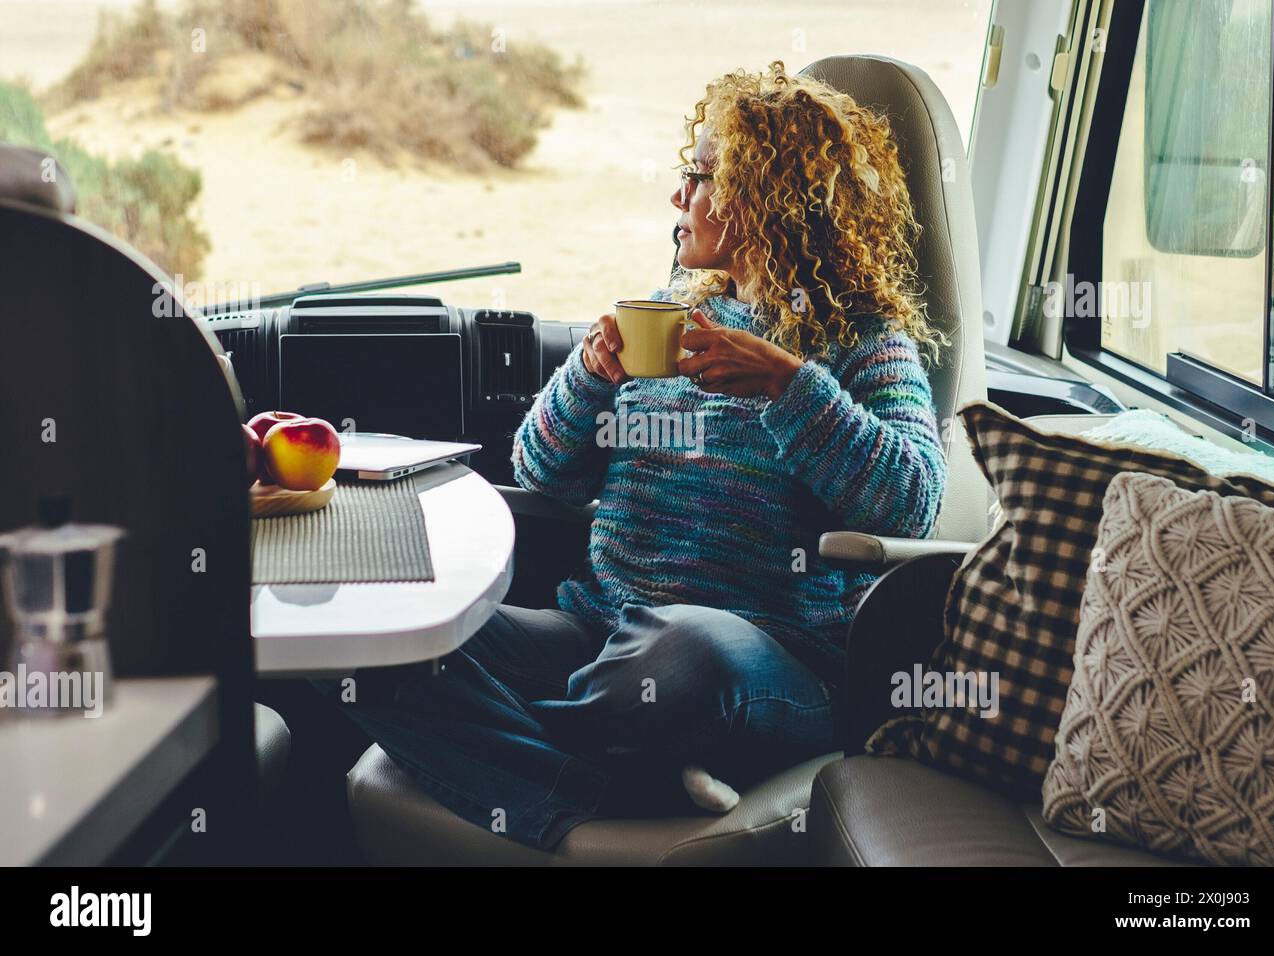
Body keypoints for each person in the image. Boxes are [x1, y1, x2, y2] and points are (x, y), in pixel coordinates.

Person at [331, 60, 947, 851]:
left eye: (699, 177)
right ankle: (609, 778)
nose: (678, 198)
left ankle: (526, 749)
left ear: (771, 196)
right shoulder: (668, 317)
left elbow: (912, 502)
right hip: (602, 641)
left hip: (765, 662)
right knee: (373, 625)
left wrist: (791, 386)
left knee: (683, 651)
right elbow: (541, 470)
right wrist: (588, 378)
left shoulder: (865, 345)